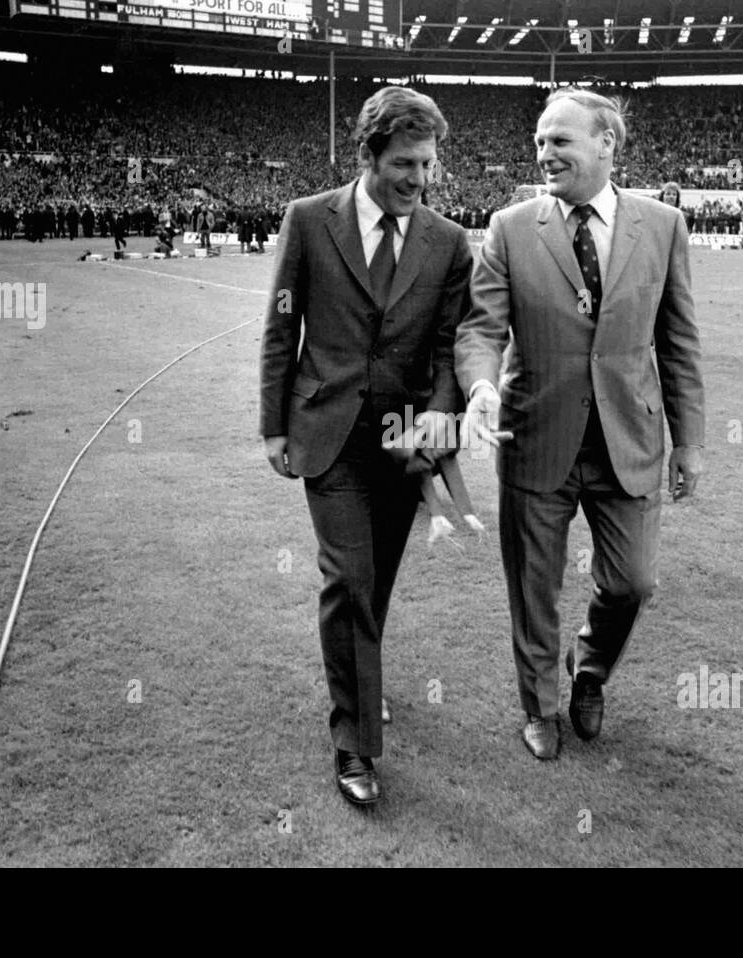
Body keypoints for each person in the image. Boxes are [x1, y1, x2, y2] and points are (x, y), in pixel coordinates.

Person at [456, 88, 705, 761]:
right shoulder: (510, 228)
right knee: (534, 589)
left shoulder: (662, 226)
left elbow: (678, 341)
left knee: (633, 583)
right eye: (539, 141)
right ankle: (539, 708)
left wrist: (691, 443)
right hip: (537, 439)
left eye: (560, 140)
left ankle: (588, 669)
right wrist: (481, 385)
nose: (545, 153)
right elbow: (481, 328)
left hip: (630, 439)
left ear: (606, 145)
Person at [259, 86, 472, 806]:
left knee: (375, 581)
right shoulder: (309, 222)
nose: (419, 179)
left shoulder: (447, 242)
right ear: (369, 155)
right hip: (328, 434)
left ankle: (363, 680)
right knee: (347, 578)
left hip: (405, 443)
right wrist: (273, 424)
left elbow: (449, 350)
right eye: (406, 163)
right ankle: (354, 743)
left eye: (429, 165)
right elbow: (280, 328)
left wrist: (437, 424)